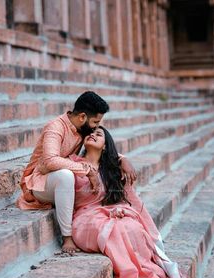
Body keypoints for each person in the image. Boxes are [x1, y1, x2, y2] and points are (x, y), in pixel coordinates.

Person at [70, 126, 203, 278]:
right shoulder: (73, 164)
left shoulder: (113, 170)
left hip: (109, 211)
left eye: (99, 134)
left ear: (106, 146)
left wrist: (122, 161)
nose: (93, 134)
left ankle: (139, 269)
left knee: (132, 226)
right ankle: (128, 274)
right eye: (91, 132)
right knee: (115, 229)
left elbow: (131, 199)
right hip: (83, 219)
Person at [17, 91, 137, 255]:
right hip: (39, 182)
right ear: (82, 117)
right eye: (95, 121)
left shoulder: (83, 128)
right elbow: (50, 160)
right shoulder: (56, 127)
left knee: (82, 177)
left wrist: (122, 159)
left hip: (61, 179)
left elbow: (102, 145)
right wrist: (87, 170)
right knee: (66, 176)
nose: (96, 126)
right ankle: (67, 237)